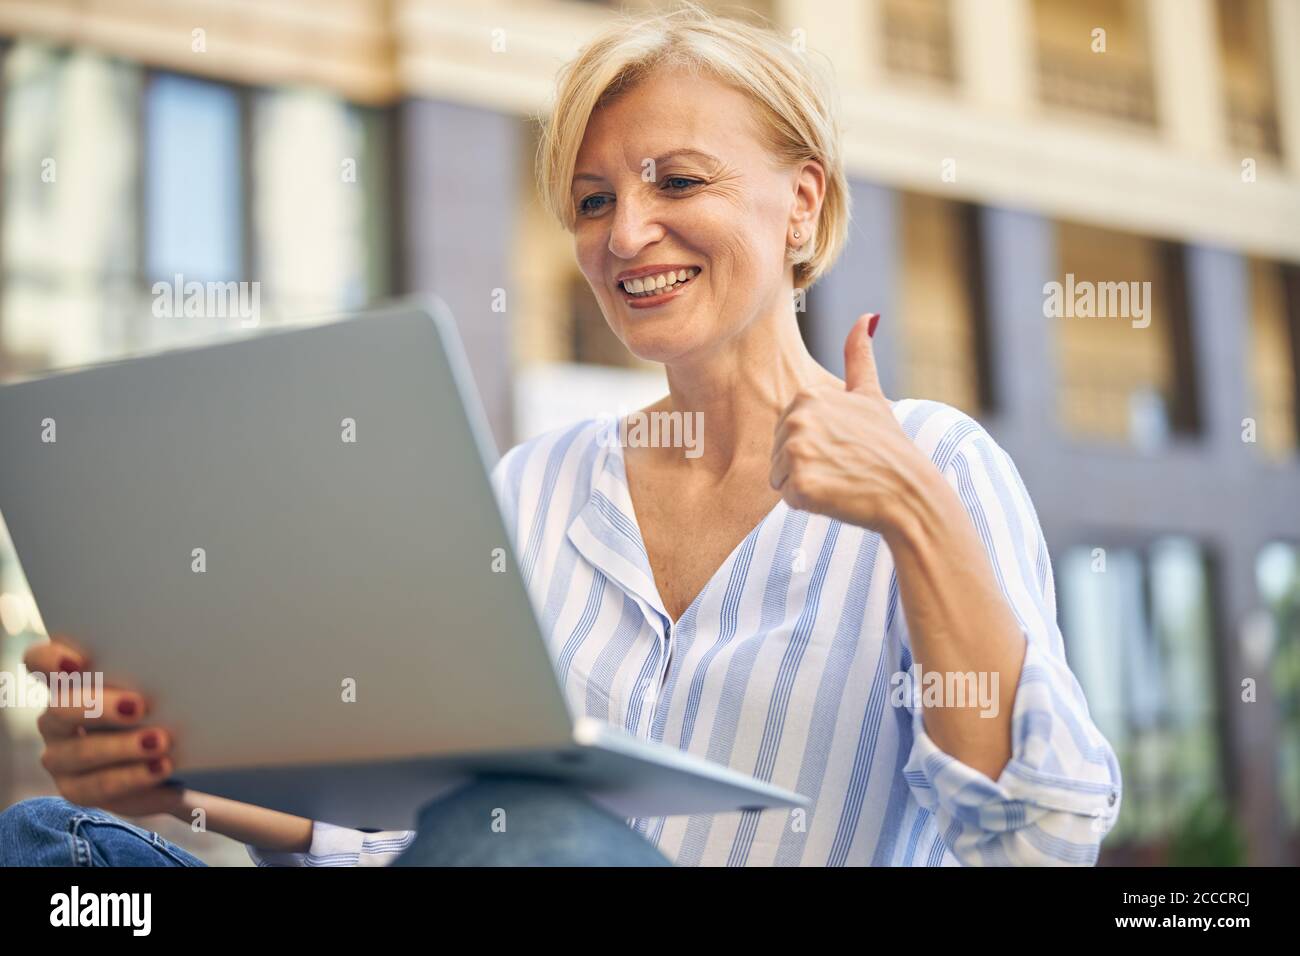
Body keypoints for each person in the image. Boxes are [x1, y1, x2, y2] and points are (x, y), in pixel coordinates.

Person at [0, 3, 1120, 867]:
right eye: (590, 203)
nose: (626, 232)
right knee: (54, 841)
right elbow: (416, 835)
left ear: (803, 206)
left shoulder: (939, 462)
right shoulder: (534, 487)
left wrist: (913, 513)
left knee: (536, 828)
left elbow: (1036, 838)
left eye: (676, 180)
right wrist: (173, 782)